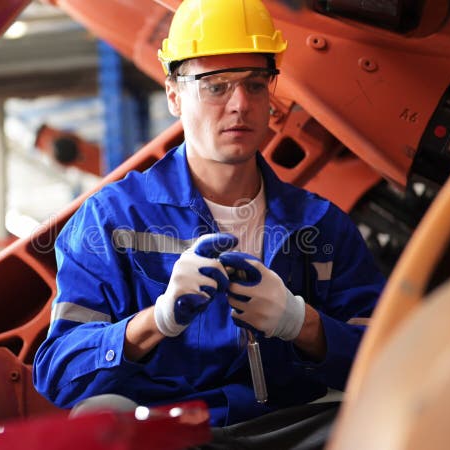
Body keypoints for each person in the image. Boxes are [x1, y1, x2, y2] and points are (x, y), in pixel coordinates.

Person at [33, 0, 385, 443]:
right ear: (174, 96)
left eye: (255, 84)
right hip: (172, 433)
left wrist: (302, 323)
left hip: (294, 427)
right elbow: (60, 373)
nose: (240, 105)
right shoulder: (112, 221)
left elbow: (387, 357)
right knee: (102, 420)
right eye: (216, 86)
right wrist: (157, 321)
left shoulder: (319, 226)